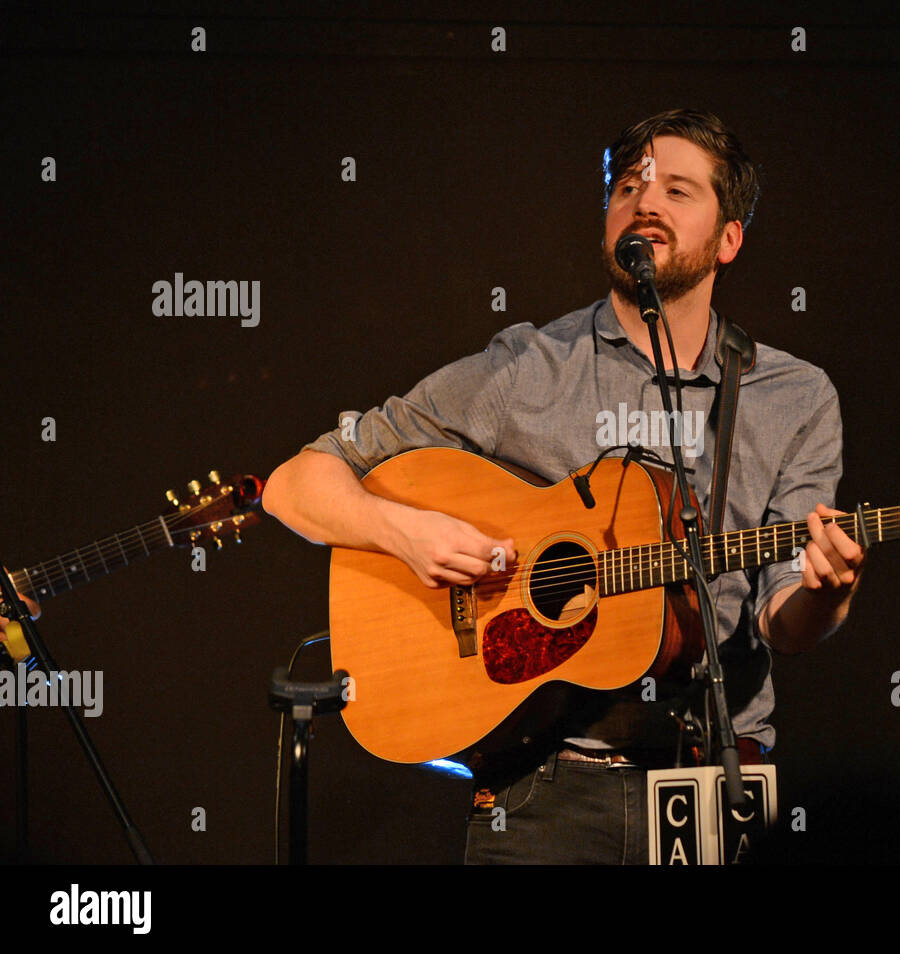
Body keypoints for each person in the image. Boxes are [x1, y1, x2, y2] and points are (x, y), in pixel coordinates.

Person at [261, 108, 865, 864]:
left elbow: (785, 622)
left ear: (729, 237)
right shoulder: (525, 369)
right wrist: (408, 534)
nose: (644, 202)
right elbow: (294, 484)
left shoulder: (793, 396)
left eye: (678, 190)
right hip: (539, 792)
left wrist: (828, 589)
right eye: (628, 187)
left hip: (710, 783)